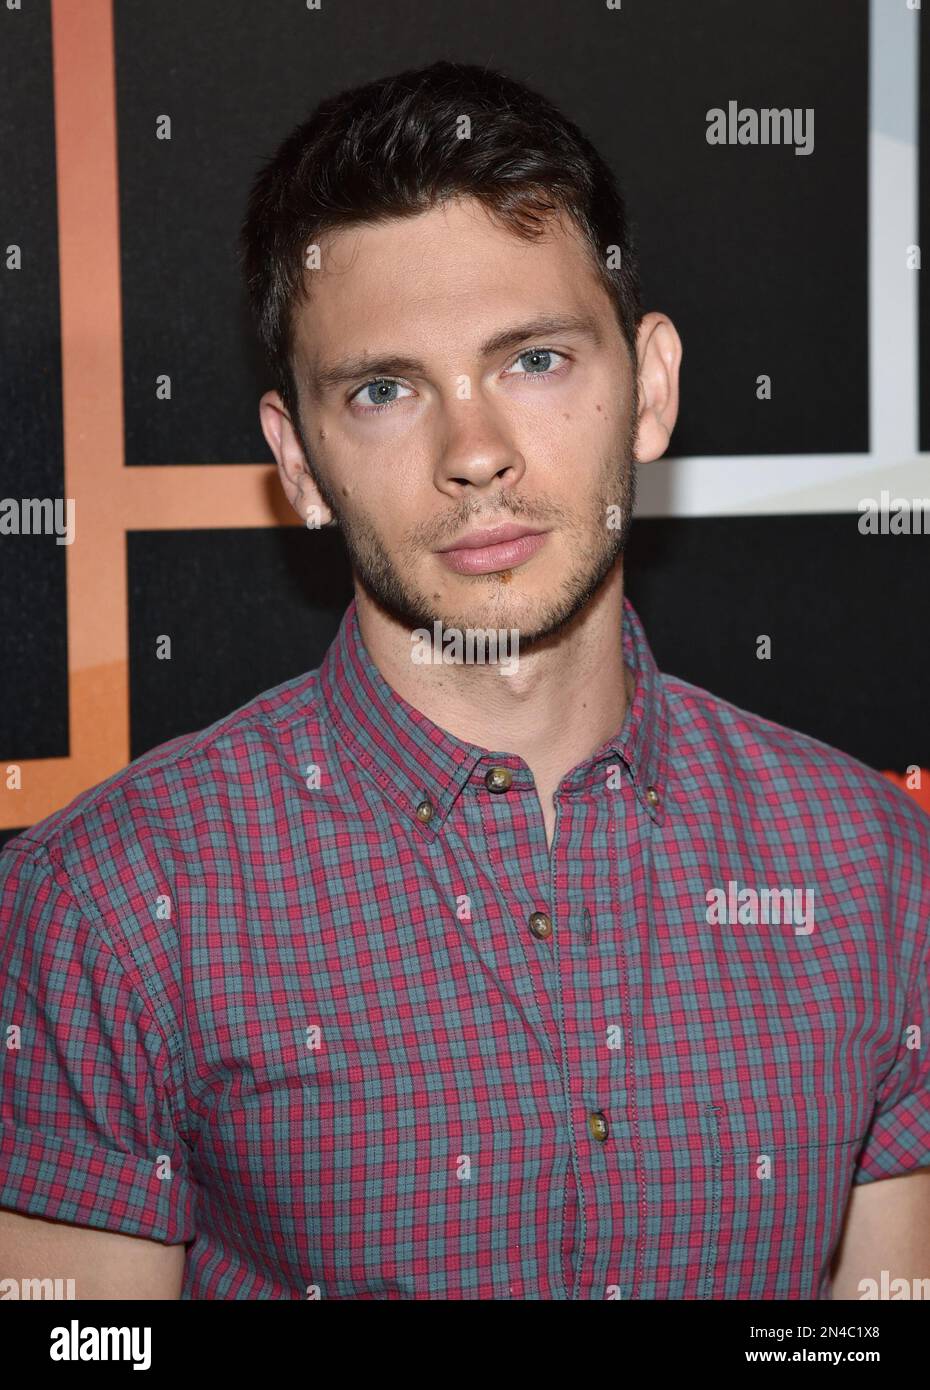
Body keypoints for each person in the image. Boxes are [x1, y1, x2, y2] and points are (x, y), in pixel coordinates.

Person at [1, 60, 928, 1301]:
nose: (475, 452)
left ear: (649, 388)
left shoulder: (874, 872)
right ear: (300, 460)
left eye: (535, 361)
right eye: (384, 391)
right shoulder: (107, 902)